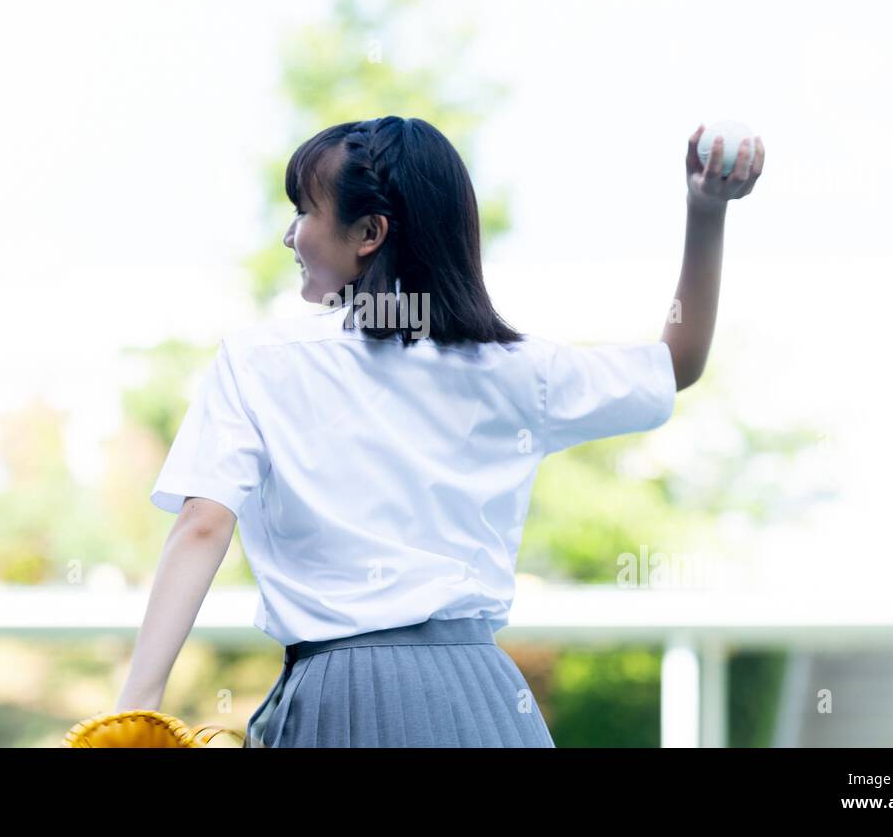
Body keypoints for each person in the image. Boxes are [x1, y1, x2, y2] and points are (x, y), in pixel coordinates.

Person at [116, 115, 764, 747]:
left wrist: (135, 712)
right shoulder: (514, 369)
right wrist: (706, 209)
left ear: (368, 232)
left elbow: (204, 523)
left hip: (336, 699)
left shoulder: (259, 361)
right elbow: (677, 363)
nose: (292, 235)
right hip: (484, 700)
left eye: (306, 212)